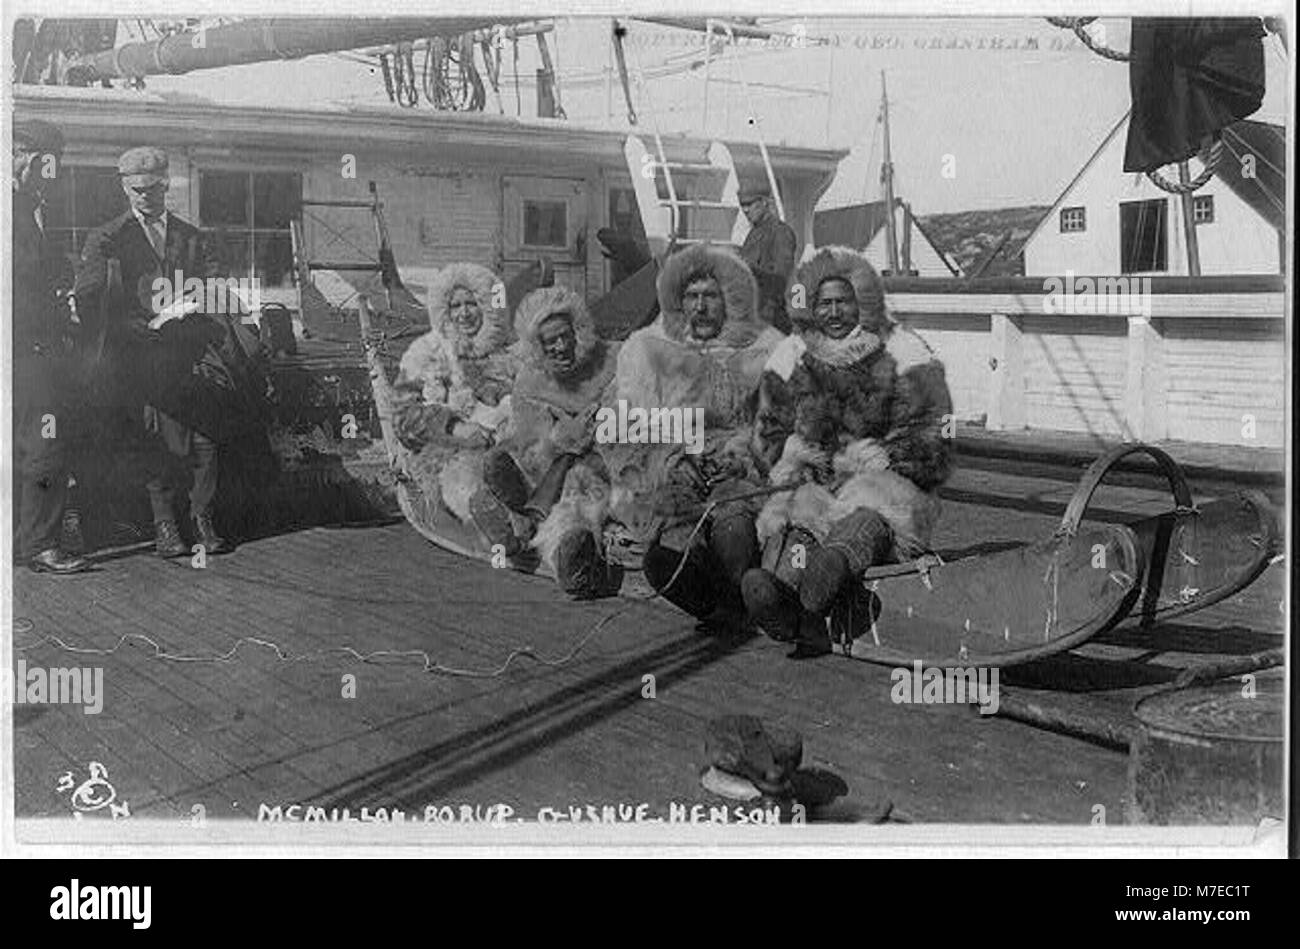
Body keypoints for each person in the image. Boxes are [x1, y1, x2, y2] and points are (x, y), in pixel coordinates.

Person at [745, 246, 954, 657]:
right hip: (817, 484)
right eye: (826, 304)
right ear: (812, 308)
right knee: (800, 521)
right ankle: (782, 595)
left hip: (886, 485)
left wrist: (888, 457)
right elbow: (767, 431)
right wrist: (789, 454)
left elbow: (934, 432)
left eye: (844, 302)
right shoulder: (792, 355)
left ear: (862, 303)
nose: (836, 313)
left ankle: (831, 572)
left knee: (866, 515)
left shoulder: (903, 352)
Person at [609, 243, 785, 630]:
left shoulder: (765, 348)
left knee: (734, 519)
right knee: (675, 527)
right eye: (691, 296)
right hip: (675, 464)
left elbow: (777, 423)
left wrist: (745, 451)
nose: (700, 307)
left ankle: (738, 588)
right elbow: (629, 423)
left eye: (711, 296)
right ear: (677, 300)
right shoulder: (647, 349)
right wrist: (674, 454)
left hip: (739, 468)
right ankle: (700, 588)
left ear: (731, 299)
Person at [73, 146, 231, 557]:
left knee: (205, 436)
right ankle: (165, 526)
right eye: (139, 189)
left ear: (166, 185)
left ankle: (202, 517)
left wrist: (199, 307)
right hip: (137, 357)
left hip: (187, 351)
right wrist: (130, 327)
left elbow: (213, 286)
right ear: (125, 188)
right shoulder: (108, 238)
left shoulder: (191, 237)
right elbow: (92, 302)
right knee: (154, 439)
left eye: (156, 188)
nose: (148, 196)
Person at [454, 286, 623, 597]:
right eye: (549, 342)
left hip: (606, 463)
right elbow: (528, 446)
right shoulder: (530, 383)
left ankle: (569, 555)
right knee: (507, 471)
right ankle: (533, 528)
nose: (560, 347)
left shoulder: (612, 359)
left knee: (582, 503)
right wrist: (561, 439)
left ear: (578, 331)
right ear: (536, 346)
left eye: (564, 335)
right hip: (550, 472)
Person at [11, 119, 89, 574]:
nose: (52, 173)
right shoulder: (17, 209)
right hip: (30, 351)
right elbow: (24, 280)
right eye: (50, 164)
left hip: (23, 350)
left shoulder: (30, 206)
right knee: (45, 441)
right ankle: (39, 544)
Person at [393, 262, 517, 450]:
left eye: (472, 304)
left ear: (487, 307)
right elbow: (402, 415)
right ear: (444, 310)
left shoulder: (511, 352)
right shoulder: (426, 352)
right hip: (448, 459)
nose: (464, 313)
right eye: (455, 306)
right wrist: (454, 427)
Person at [738, 184, 798, 333]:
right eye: (742, 205)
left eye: (749, 204)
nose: (745, 210)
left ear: (764, 202)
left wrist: (749, 269)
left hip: (771, 320)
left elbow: (780, 280)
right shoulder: (753, 234)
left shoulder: (780, 232)